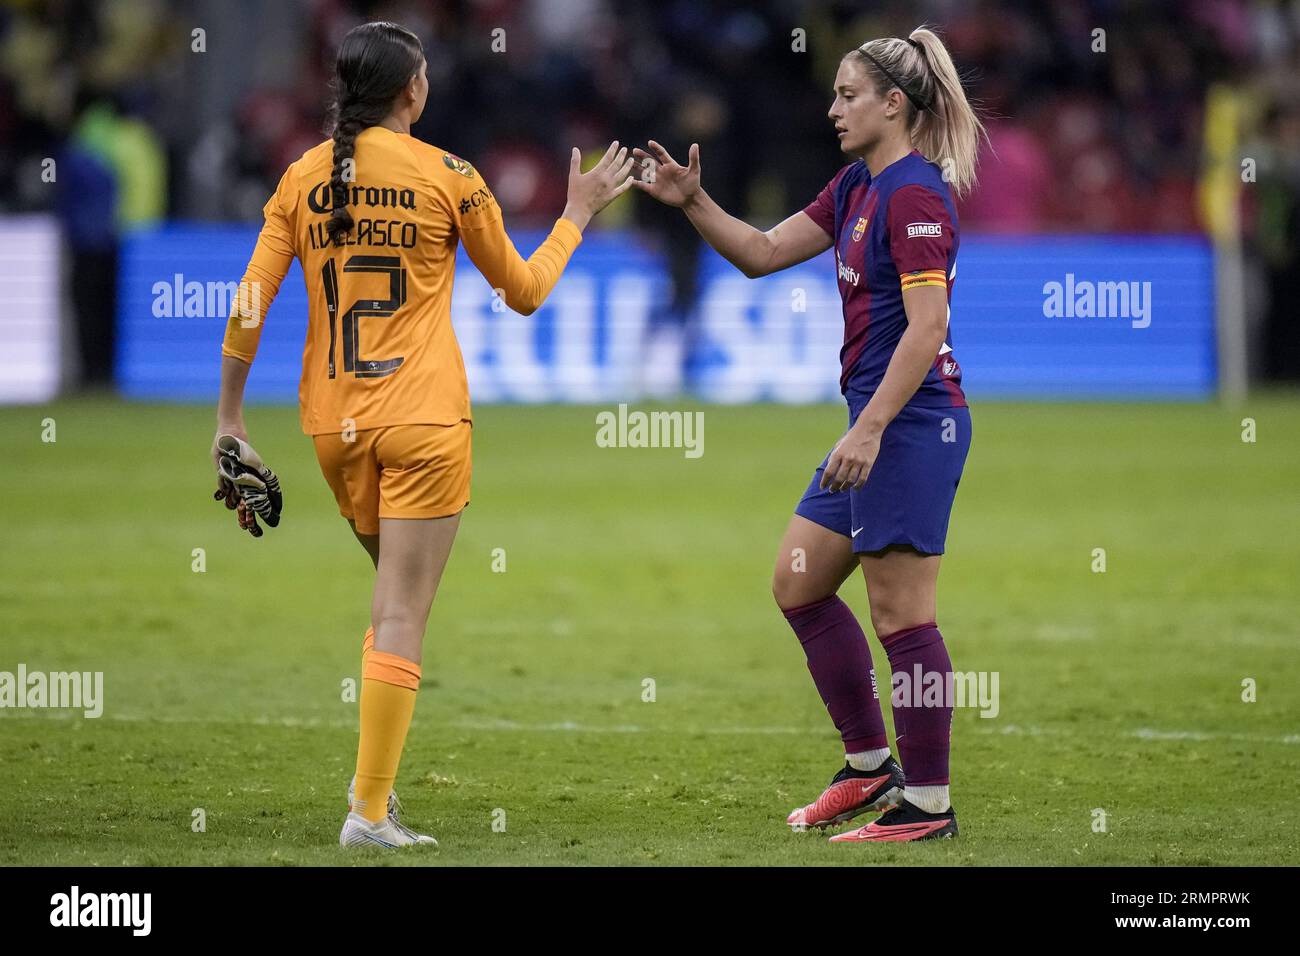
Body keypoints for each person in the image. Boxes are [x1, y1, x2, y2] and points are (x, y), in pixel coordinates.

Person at [211, 21, 633, 849]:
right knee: (402, 613)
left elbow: (250, 303)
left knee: (390, 604)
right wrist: (578, 215)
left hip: (334, 426)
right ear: (413, 91)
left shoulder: (302, 177)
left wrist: (229, 419)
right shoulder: (450, 176)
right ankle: (366, 813)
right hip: (426, 422)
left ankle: (376, 793)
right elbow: (522, 291)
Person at [632, 26, 983, 842]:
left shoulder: (916, 196)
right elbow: (759, 252)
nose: (832, 110)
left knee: (903, 618)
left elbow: (926, 330)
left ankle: (927, 806)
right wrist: (693, 201)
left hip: (910, 425)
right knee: (799, 582)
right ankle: (869, 771)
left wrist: (867, 429)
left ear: (895, 104)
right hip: (873, 426)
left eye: (848, 95)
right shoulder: (858, 185)